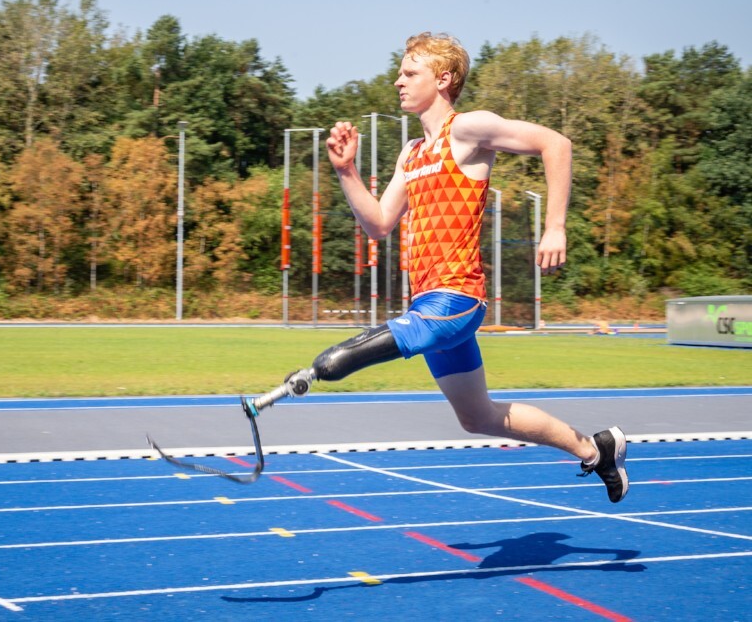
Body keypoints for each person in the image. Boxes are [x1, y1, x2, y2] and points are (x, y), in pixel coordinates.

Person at [246, 32, 628, 503]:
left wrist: (555, 227)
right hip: (426, 301)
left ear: (443, 79)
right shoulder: (411, 153)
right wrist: (346, 171)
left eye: (410, 73)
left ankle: (321, 368)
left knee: (335, 362)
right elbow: (379, 223)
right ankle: (595, 450)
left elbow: (557, 144)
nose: (398, 81)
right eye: (399, 73)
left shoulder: (467, 129)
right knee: (477, 416)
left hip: (456, 298)